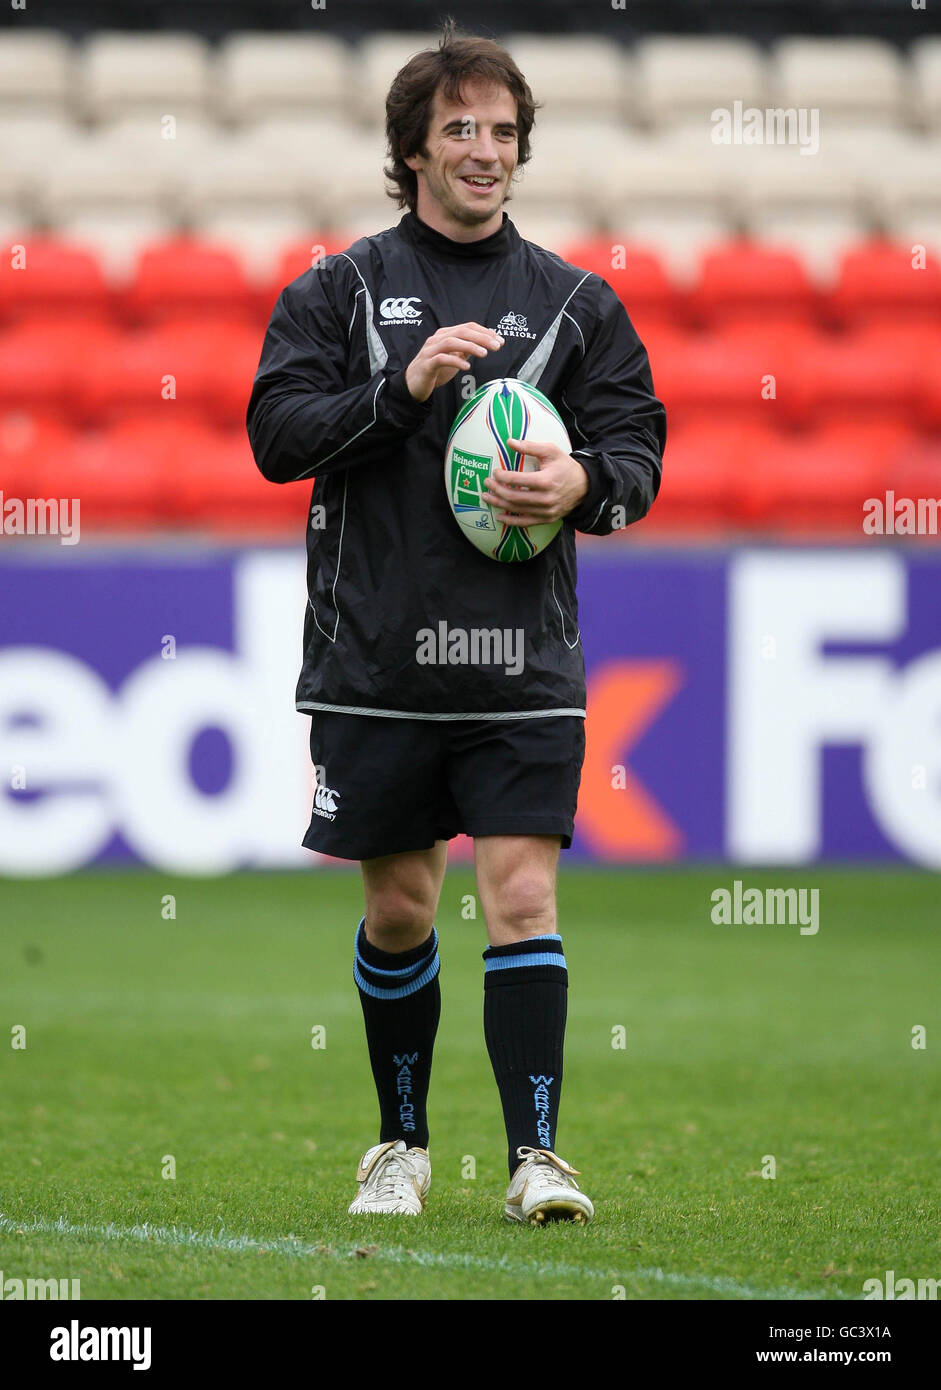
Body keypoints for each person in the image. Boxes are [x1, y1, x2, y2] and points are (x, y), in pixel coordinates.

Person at [246, 20, 665, 1225]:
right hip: (376, 657)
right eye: (459, 130)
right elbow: (277, 436)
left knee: (523, 897)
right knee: (401, 907)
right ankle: (400, 1145)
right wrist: (402, 388)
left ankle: (537, 1155)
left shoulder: (575, 303)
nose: (484, 150)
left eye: (501, 131)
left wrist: (584, 483)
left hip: (520, 660)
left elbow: (638, 444)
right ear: (413, 151)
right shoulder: (338, 288)